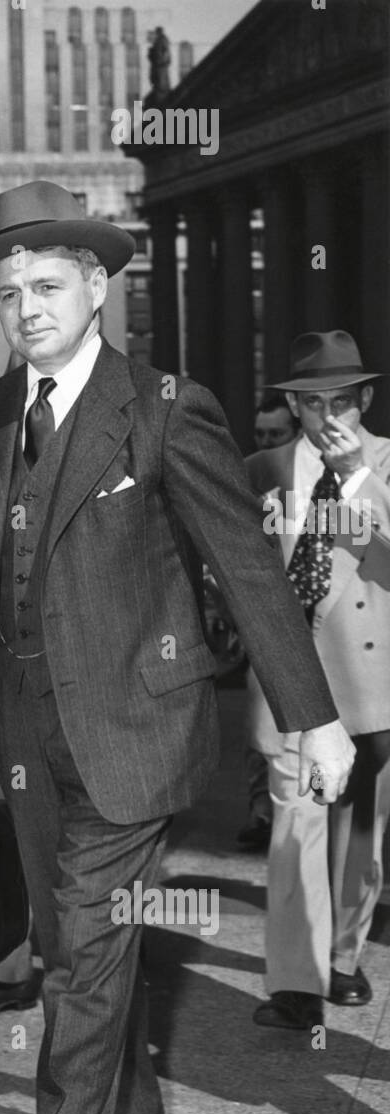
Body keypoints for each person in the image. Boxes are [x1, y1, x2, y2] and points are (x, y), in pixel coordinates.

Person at [0, 180, 355, 1114]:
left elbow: (245, 566)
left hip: (131, 733)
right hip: (19, 741)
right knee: (88, 952)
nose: (24, 307)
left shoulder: (166, 407)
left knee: (76, 963)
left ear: (94, 285)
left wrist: (311, 715)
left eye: (45, 285)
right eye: (6, 290)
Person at [246, 331, 390, 1028]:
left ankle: (343, 955)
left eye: (342, 401)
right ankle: (297, 985)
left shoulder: (388, 464)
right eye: (311, 403)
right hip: (291, 676)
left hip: (371, 679)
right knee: (294, 825)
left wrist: (361, 478)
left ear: (365, 399)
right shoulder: (262, 469)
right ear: (293, 406)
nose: (328, 417)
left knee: (361, 837)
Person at [236, 391, 301, 849]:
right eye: (260, 433)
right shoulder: (252, 469)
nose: (265, 441)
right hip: (261, 615)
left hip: (315, 617)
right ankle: (263, 813)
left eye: (275, 433)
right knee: (262, 723)